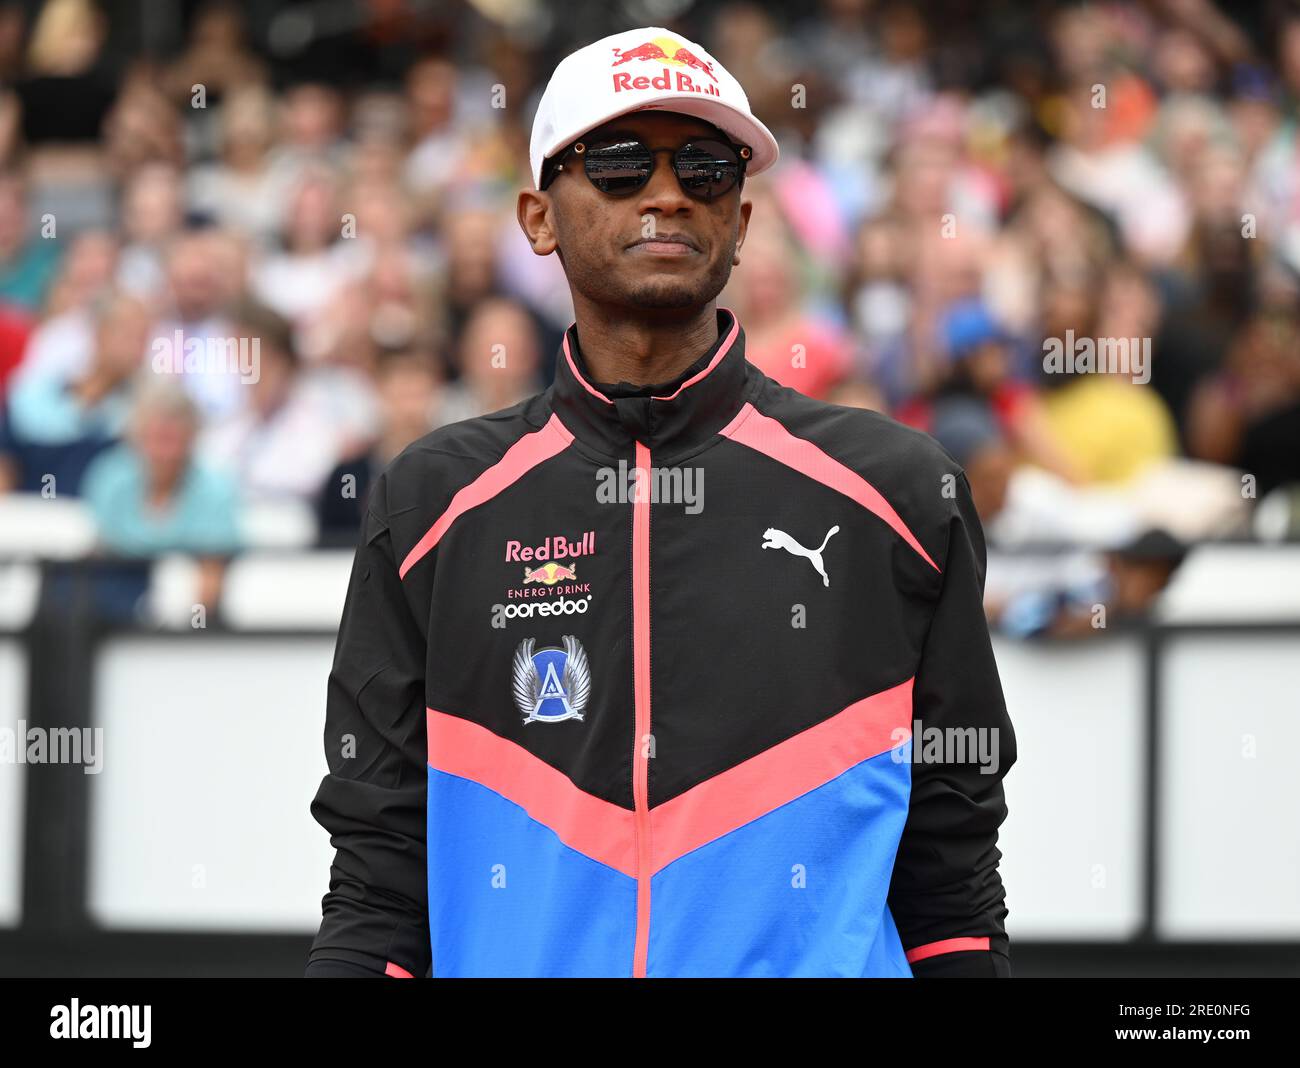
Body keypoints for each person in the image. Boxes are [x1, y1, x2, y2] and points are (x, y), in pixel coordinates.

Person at [307, 27, 1015, 979]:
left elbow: (954, 877)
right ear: (538, 217)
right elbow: (379, 874)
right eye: (620, 162)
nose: (669, 191)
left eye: (709, 167)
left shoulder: (897, 490)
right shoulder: (433, 500)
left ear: (745, 220)